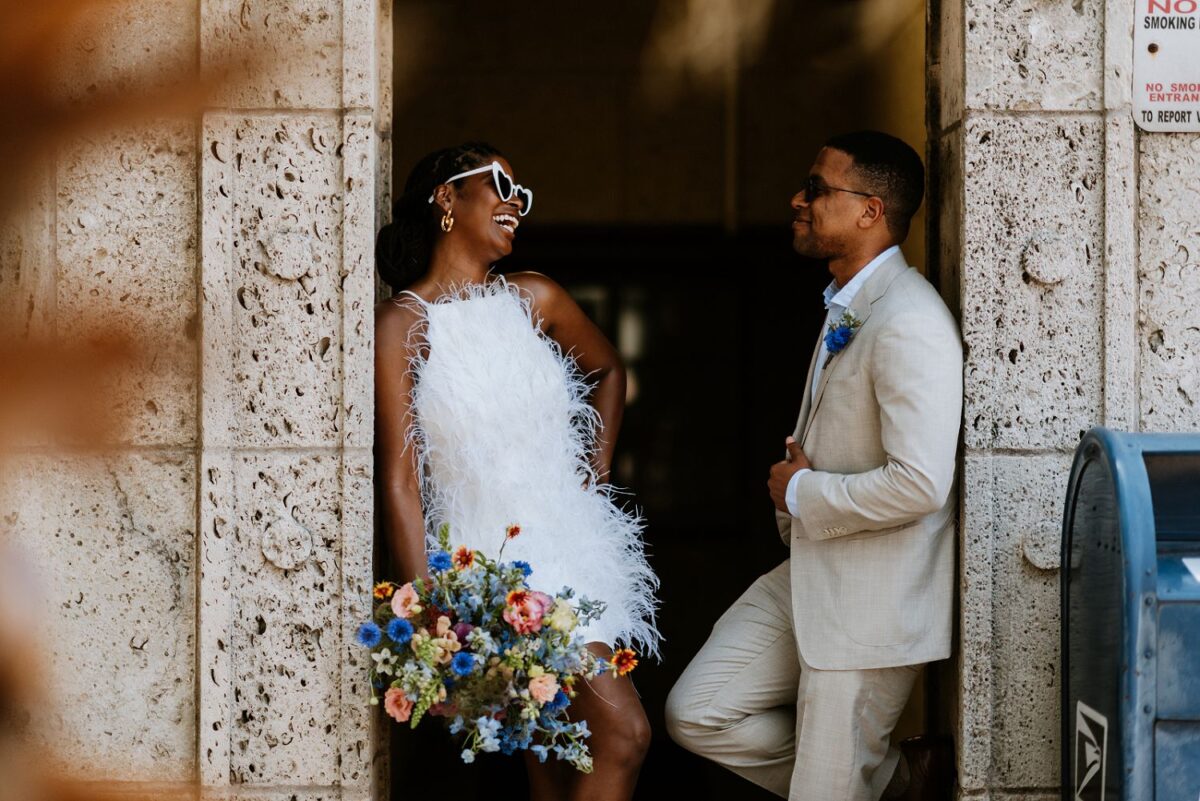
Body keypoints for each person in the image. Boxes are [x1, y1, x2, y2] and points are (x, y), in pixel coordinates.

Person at [665, 131, 962, 801]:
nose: (798, 200)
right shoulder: (852, 302)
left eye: (818, 189)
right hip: (811, 574)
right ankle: (894, 779)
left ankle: (849, 778)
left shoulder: (910, 319)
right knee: (697, 709)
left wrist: (804, 490)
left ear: (870, 210)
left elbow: (921, 482)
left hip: (868, 603)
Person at [374, 142, 660, 801]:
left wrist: (595, 465)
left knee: (564, 758)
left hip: (573, 550)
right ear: (446, 197)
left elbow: (608, 369)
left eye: (522, 195)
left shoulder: (536, 296)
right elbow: (401, 482)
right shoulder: (401, 325)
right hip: (490, 568)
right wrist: (425, 621)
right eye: (500, 184)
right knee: (623, 734)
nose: (515, 202)